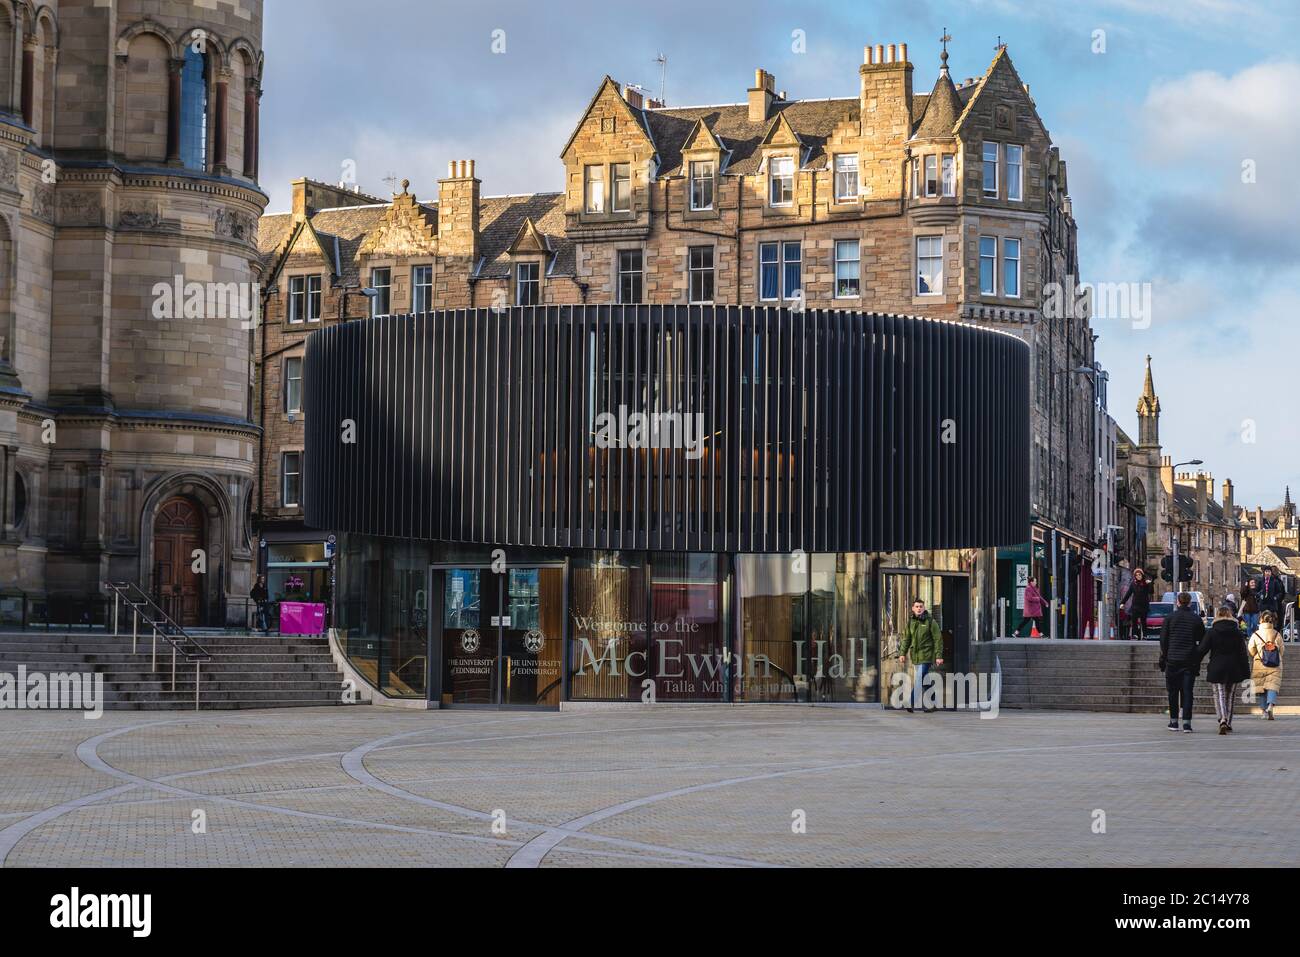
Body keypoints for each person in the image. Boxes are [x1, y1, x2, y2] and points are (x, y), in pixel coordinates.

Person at [1197, 606, 1251, 735]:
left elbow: (1202, 649)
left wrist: (1194, 662)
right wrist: (1246, 671)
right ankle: (1229, 721)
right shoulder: (1237, 632)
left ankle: (1222, 719)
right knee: (1230, 695)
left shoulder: (1212, 632)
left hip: (1217, 666)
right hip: (1234, 666)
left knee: (1219, 693)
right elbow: (1243, 654)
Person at [1159, 592, 1206, 733]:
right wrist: (1196, 655)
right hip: (1189, 661)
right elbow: (1202, 640)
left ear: (1178, 602)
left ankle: (1173, 721)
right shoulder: (1196, 619)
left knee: (1172, 692)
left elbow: (1163, 640)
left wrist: (1166, 655)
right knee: (1187, 692)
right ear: (1190, 603)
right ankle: (1187, 723)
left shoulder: (1170, 618)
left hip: (1172, 660)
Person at [897, 598, 944, 713]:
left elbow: (938, 639)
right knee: (924, 681)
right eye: (917, 606)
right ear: (913, 608)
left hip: (927, 656)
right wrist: (902, 653)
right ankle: (933, 704)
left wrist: (938, 656)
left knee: (918, 680)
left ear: (924, 608)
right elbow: (907, 639)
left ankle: (911, 702)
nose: (919, 608)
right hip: (916, 657)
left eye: (921, 606)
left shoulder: (930, 622)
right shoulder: (911, 622)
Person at [1247, 611, 1285, 720]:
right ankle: (1270, 706)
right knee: (1272, 686)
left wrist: (1257, 655)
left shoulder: (1256, 634)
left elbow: (1251, 649)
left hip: (1260, 663)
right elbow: (1282, 650)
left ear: (1261, 620)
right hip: (1275, 664)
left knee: (1261, 688)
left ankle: (1263, 711)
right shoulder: (1277, 634)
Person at [1119, 568, 1154, 641]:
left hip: (1144, 605)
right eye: (1136, 575)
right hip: (1135, 605)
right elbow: (1128, 594)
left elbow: (1151, 592)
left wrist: (1150, 584)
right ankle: (1135, 635)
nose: (1138, 576)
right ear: (1135, 576)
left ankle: (1145, 635)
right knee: (1134, 620)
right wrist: (1122, 603)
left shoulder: (1146, 583)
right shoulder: (1133, 584)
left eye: (1139, 574)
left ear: (1142, 575)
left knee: (1143, 621)